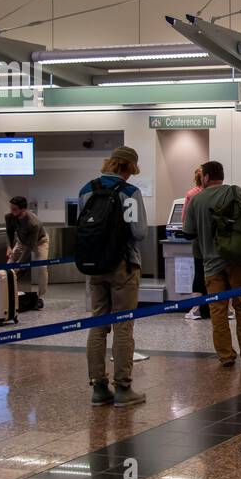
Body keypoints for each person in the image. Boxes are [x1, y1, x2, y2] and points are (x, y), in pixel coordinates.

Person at [80, 146, 148, 408]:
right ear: (127, 167)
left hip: (94, 265)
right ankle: (123, 388)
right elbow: (139, 232)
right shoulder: (130, 192)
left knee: (97, 323)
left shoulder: (87, 189)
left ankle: (98, 388)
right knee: (123, 324)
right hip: (124, 264)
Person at [182, 160, 241, 367]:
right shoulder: (236, 192)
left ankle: (226, 355)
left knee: (217, 309)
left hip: (211, 264)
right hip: (239, 261)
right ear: (222, 176)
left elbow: (188, 233)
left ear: (206, 177)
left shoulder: (196, 200)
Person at [7, 196, 49, 310]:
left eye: (14, 209)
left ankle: (41, 297)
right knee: (9, 266)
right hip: (21, 241)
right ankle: (7, 294)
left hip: (39, 241)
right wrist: (9, 247)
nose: (12, 211)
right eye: (11, 208)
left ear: (23, 209)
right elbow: (9, 232)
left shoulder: (34, 223)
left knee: (42, 267)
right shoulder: (9, 216)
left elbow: (30, 246)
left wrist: (20, 264)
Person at [181, 167, 210, 321]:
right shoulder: (216, 193)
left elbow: (185, 220)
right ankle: (228, 309)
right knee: (220, 274)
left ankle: (196, 308)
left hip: (199, 241)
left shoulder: (192, 194)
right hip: (217, 243)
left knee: (199, 273)